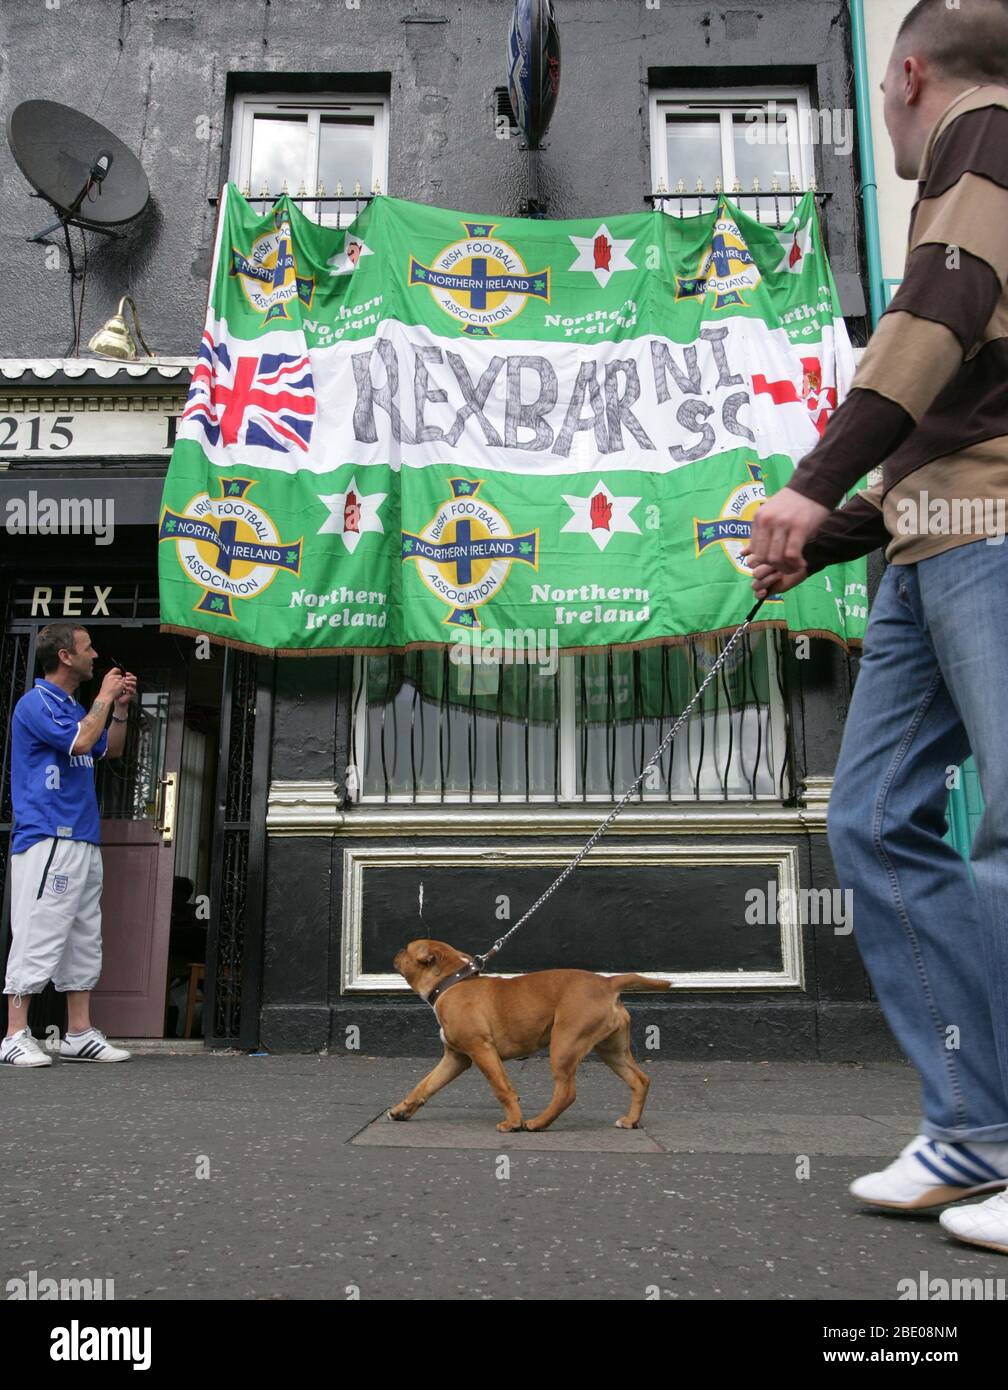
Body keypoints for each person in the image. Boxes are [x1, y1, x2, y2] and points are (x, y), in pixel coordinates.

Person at [745, 0, 1008, 1255]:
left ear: (905, 73)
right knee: (873, 820)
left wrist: (807, 480)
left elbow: (943, 313)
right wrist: (830, 534)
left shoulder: (987, 132)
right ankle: (976, 1128)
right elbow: (939, 419)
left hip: (998, 532)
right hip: (928, 542)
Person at [1, 623, 137, 1066]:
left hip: (81, 836)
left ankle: (78, 1032)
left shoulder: (75, 706)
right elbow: (80, 739)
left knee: (82, 934)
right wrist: (101, 698)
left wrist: (117, 709)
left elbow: (108, 749)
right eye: (86, 648)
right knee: (38, 928)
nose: (95, 655)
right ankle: (14, 1033)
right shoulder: (36, 703)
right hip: (48, 835)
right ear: (64, 656)